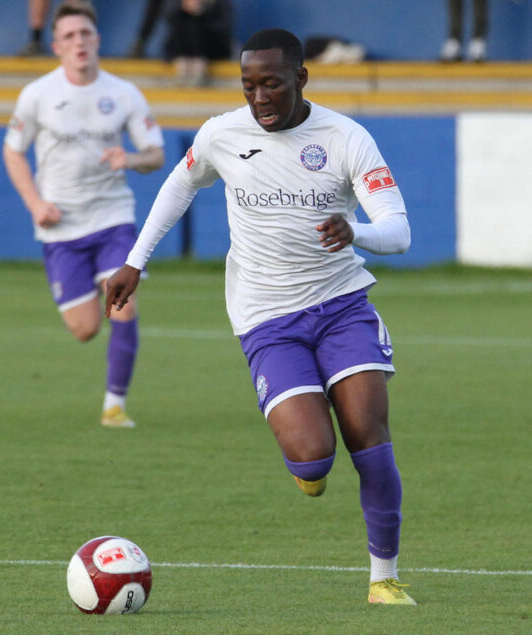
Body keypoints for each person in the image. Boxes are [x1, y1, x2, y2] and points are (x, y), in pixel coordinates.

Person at [105, 28, 415, 604]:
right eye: (249, 86)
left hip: (343, 306)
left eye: (271, 84)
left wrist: (358, 232)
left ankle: (385, 577)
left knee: (366, 433)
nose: (260, 98)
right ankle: (309, 455)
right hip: (267, 318)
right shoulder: (222, 133)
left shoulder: (347, 139)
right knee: (313, 456)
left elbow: (399, 231)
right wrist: (135, 261)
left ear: (301, 78)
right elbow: (180, 184)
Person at [3, 0, 165, 429]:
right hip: (61, 227)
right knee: (85, 328)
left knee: (123, 305)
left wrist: (130, 159)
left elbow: (156, 154)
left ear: (97, 41)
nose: (79, 42)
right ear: (56, 46)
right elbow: (13, 152)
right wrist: (36, 204)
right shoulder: (37, 94)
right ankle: (86, 284)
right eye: (70, 36)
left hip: (113, 217)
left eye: (85, 35)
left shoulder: (124, 93)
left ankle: (114, 406)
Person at [164, 0, 233, 86]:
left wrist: (203, 10)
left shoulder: (220, 4)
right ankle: (185, 62)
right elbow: (169, 18)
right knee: (189, 23)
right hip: (183, 49)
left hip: (211, 48)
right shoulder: (178, 5)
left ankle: (198, 63)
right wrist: (184, 7)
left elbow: (223, 27)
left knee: (196, 24)